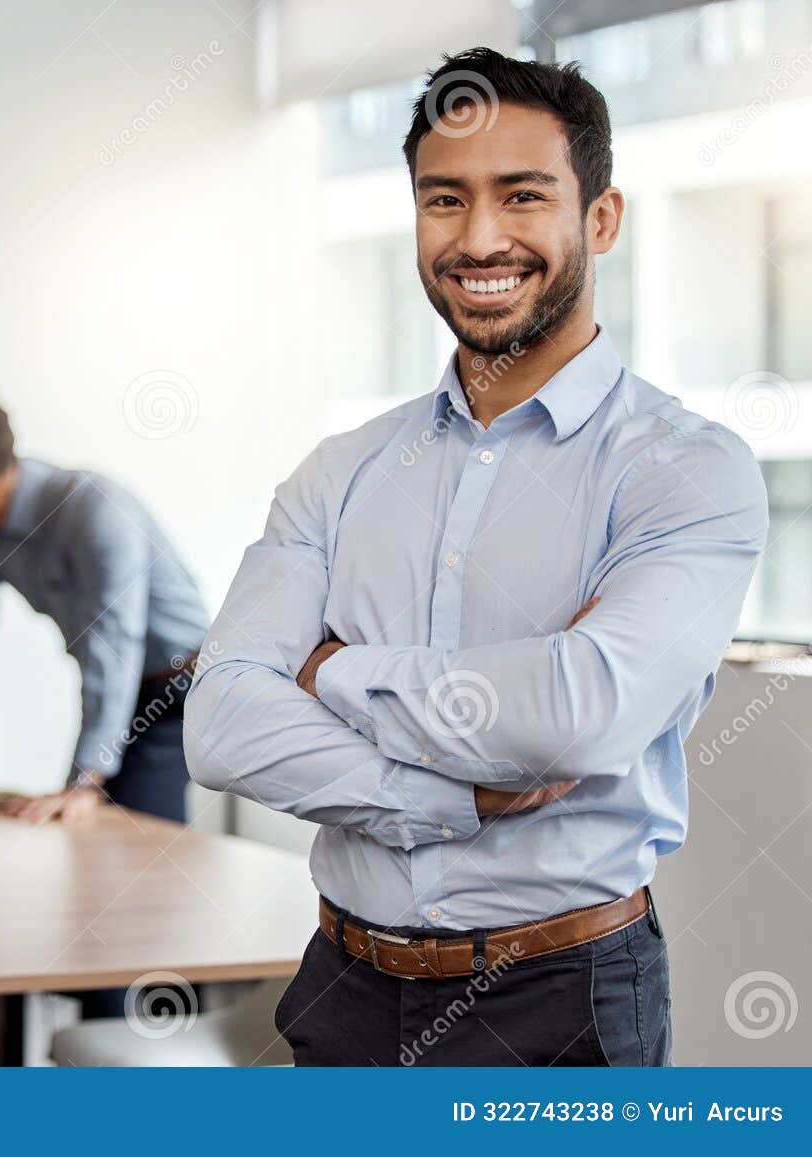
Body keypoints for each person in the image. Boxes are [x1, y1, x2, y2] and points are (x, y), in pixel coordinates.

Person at [185, 49, 768, 1066]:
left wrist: (329, 671)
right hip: (340, 987)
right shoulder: (340, 471)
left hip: (563, 1004)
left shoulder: (688, 470)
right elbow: (222, 723)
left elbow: (574, 714)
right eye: (444, 199)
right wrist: (449, 795)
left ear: (600, 219)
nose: (478, 237)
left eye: (522, 195)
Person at [0, 386, 209, 829]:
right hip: (119, 687)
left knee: (133, 834)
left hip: (179, 686)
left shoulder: (94, 509)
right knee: (75, 825)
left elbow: (114, 641)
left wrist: (85, 781)